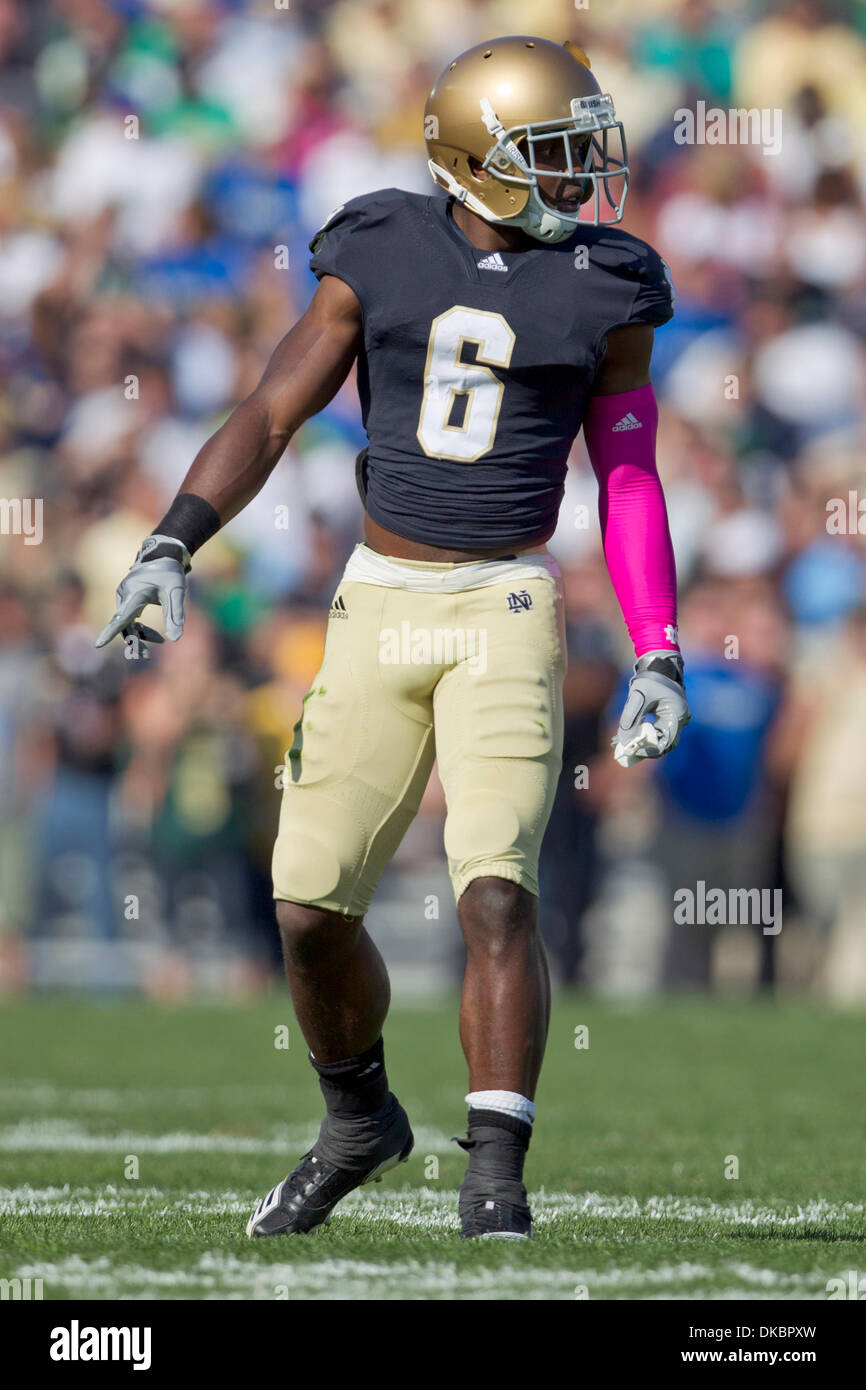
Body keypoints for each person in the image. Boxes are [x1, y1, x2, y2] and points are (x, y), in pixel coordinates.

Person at [95, 36, 689, 1241]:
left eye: (584, 150)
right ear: (474, 162)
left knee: (493, 892)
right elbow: (271, 406)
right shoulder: (376, 242)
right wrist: (173, 540)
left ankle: (495, 1179)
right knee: (308, 907)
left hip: (507, 606)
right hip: (376, 600)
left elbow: (627, 477)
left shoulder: (608, 279)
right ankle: (359, 1119)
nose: (581, 178)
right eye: (553, 154)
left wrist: (657, 642)